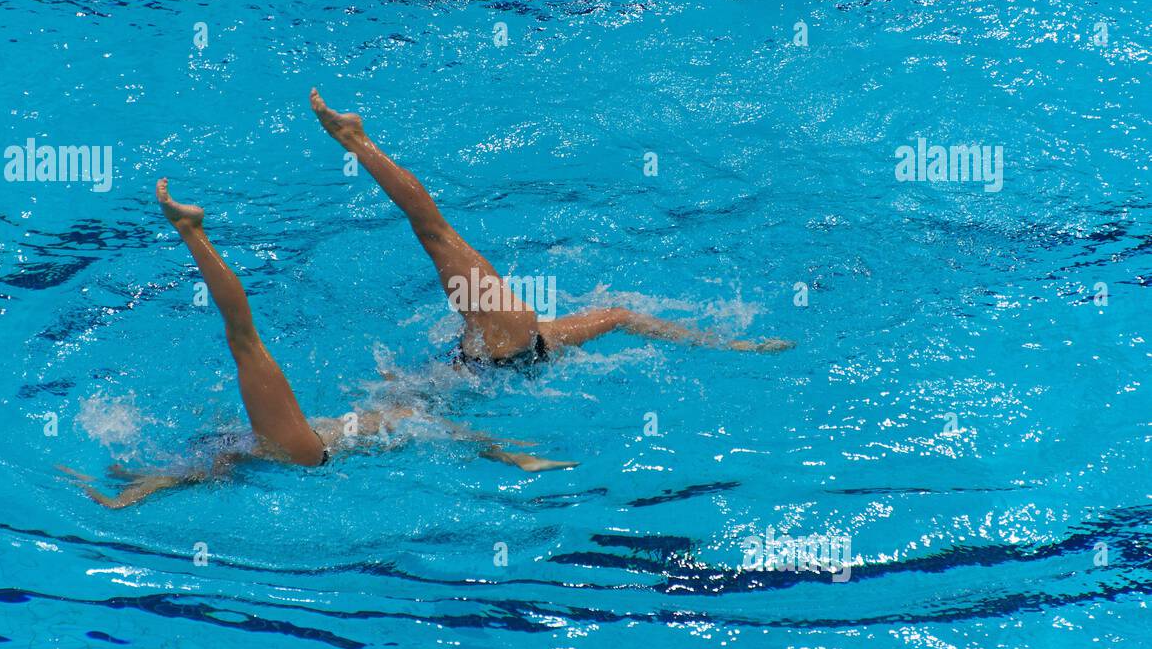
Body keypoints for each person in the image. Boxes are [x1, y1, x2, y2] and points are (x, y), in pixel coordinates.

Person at [63, 179, 577, 510]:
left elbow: (433, 425)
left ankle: (192, 232)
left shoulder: (300, 440)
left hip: (306, 448)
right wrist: (502, 454)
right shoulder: (374, 421)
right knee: (241, 342)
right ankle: (191, 232)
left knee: (243, 341)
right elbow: (432, 425)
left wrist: (503, 454)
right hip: (306, 447)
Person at [308, 89, 794, 367]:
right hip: (531, 346)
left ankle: (356, 139)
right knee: (435, 233)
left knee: (433, 230)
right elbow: (625, 316)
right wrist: (729, 343)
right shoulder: (540, 336)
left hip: (513, 344)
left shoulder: (498, 333)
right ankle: (730, 345)